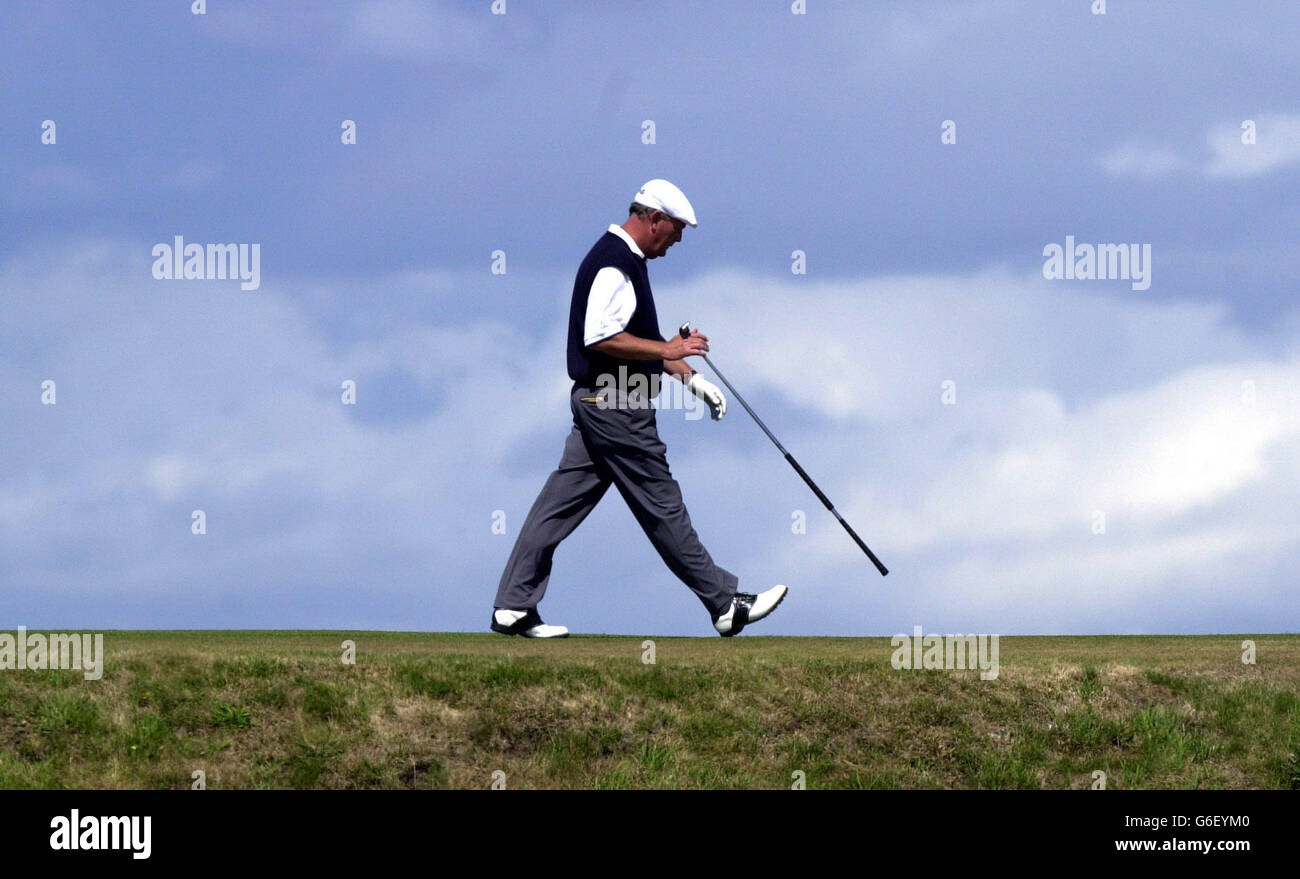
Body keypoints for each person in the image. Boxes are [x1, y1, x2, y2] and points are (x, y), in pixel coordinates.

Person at [491, 179, 788, 638]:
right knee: (661, 504)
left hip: (603, 401)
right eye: (675, 231)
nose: (678, 241)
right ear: (655, 220)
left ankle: (512, 606)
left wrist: (692, 379)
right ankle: (725, 603)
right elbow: (603, 338)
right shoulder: (614, 265)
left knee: (558, 505)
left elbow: (640, 342)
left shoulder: (627, 259)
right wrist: (670, 347)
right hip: (615, 405)